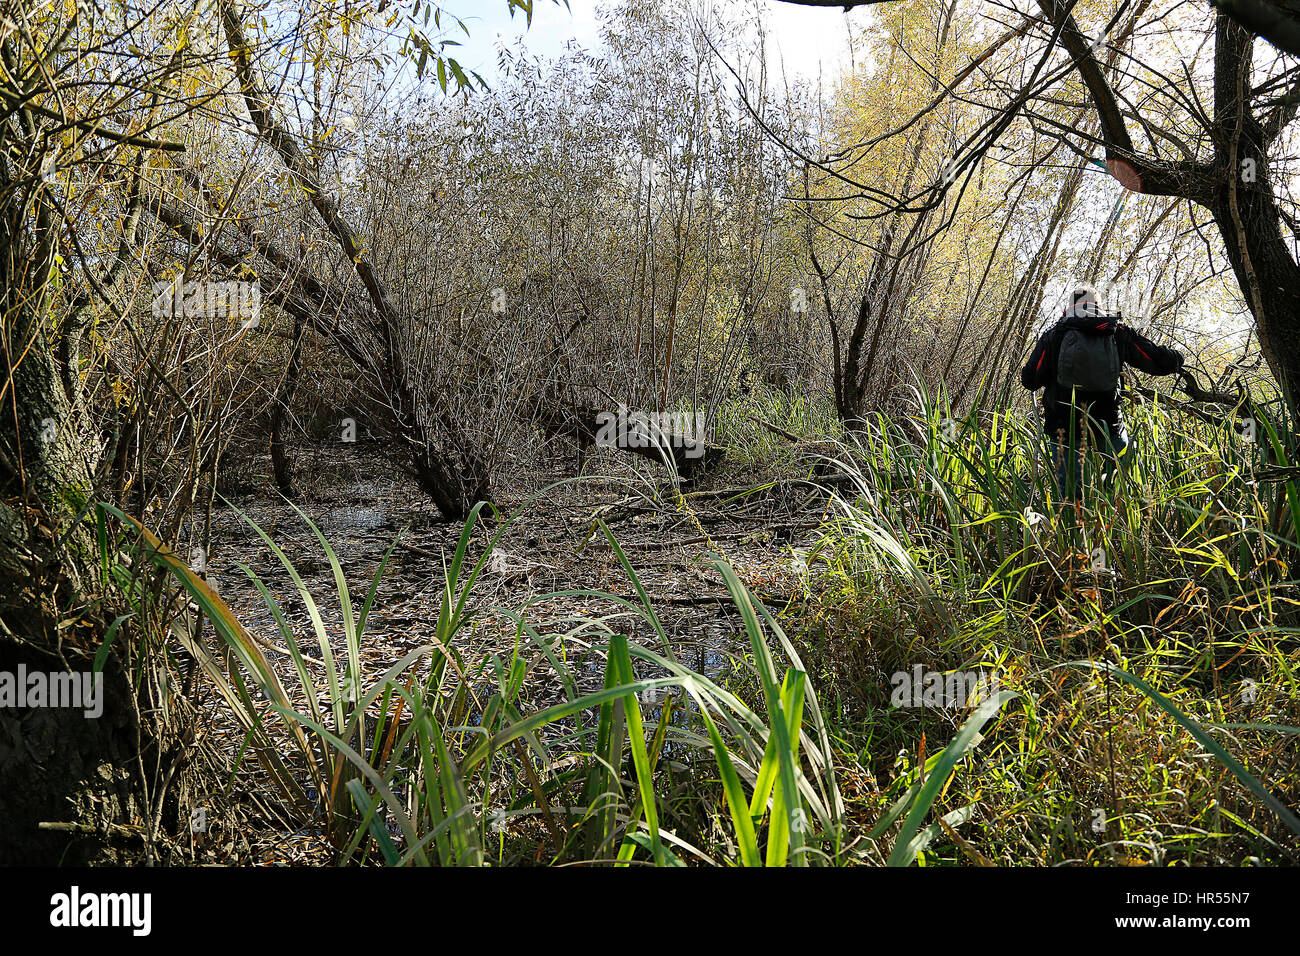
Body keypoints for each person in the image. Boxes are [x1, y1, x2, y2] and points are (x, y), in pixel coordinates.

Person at [1020, 287, 1184, 500]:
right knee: (1123, 483)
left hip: (1064, 429)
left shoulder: (1054, 334)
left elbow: (1030, 380)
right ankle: (1123, 523)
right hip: (1108, 427)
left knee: (1071, 498)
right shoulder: (1116, 331)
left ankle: (1074, 529)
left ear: (1070, 307)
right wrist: (1178, 358)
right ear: (1098, 306)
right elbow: (1157, 362)